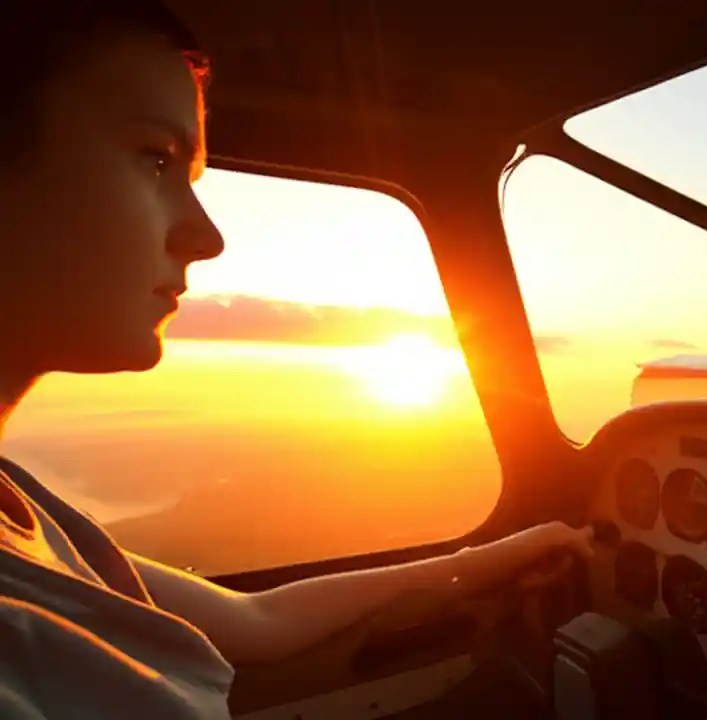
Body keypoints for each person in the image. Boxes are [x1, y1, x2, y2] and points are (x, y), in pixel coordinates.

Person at [0, 2, 593, 717]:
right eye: (155, 158)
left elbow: (260, 623)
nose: (207, 236)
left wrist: (485, 564)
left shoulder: (25, 506)